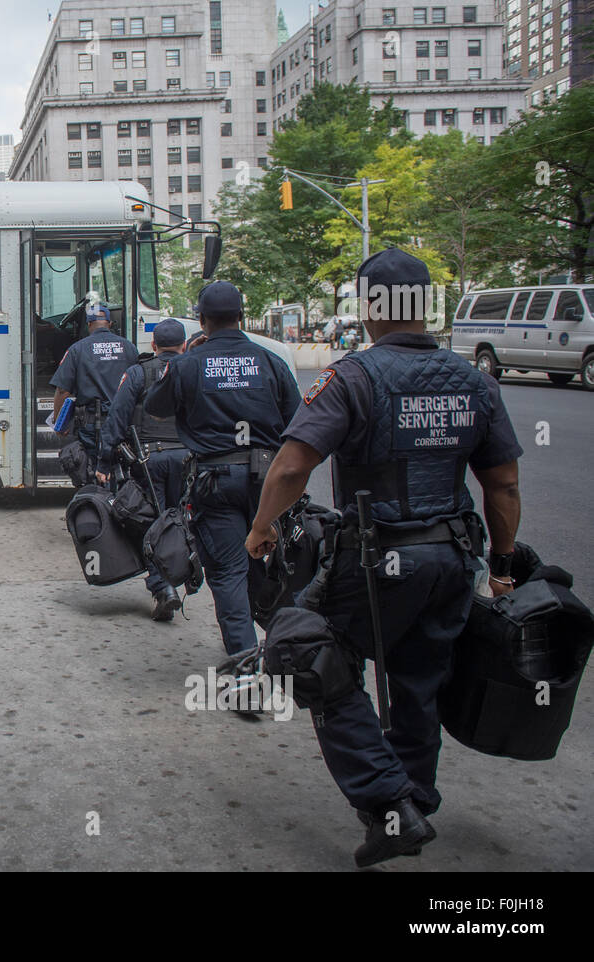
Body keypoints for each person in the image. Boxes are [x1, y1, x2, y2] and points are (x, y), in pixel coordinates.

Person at [246, 247, 523, 867]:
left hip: (380, 560)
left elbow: (292, 465)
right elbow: (502, 485)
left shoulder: (352, 377)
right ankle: (415, 797)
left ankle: (389, 807)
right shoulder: (475, 380)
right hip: (453, 558)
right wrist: (500, 567)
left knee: (309, 658)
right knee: (418, 679)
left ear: (370, 307)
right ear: (423, 304)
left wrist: (261, 529)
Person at [143, 282, 301, 668]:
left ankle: (246, 667)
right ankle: (289, 651)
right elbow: (299, 422)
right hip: (269, 481)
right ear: (242, 317)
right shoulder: (270, 361)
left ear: (201, 320)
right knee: (274, 564)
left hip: (215, 481)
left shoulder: (188, 363)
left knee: (229, 571)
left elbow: (155, 407)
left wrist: (185, 363)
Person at [96, 318, 189, 621]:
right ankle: (182, 576)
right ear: (184, 345)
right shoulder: (195, 369)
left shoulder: (138, 373)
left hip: (150, 460)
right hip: (190, 460)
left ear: (154, 345)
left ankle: (163, 587)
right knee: (182, 521)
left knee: (150, 522)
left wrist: (105, 460)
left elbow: (118, 418)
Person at [51, 301, 138, 474]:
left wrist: (58, 421)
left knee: (93, 469)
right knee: (123, 468)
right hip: (123, 421)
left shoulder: (77, 349)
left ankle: (98, 498)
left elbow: (63, 390)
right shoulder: (129, 347)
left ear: (89, 324)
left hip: (91, 423)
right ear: (110, 324)